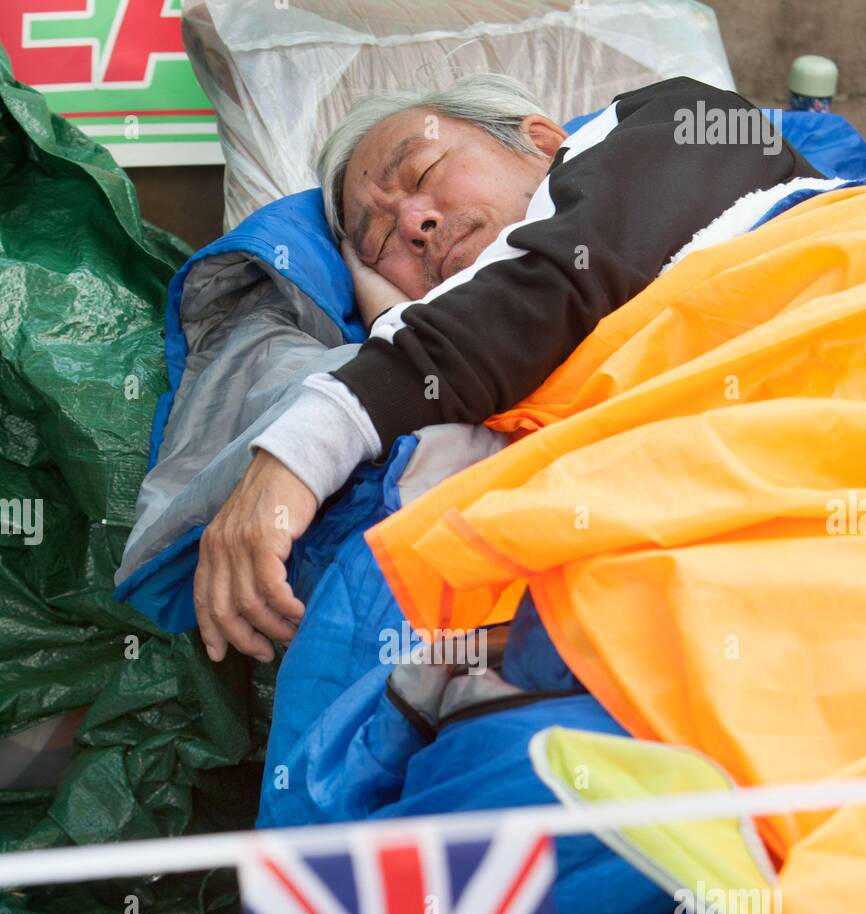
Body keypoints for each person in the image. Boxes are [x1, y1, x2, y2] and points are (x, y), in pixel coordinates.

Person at [192, 73, 821, 664]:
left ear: (541, 140)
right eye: (381, 242)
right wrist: (394, 308)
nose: (415, 222)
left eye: (423, 170)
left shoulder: (689, 120)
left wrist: (296, 455)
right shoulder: (496, 375)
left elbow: (548, 284)